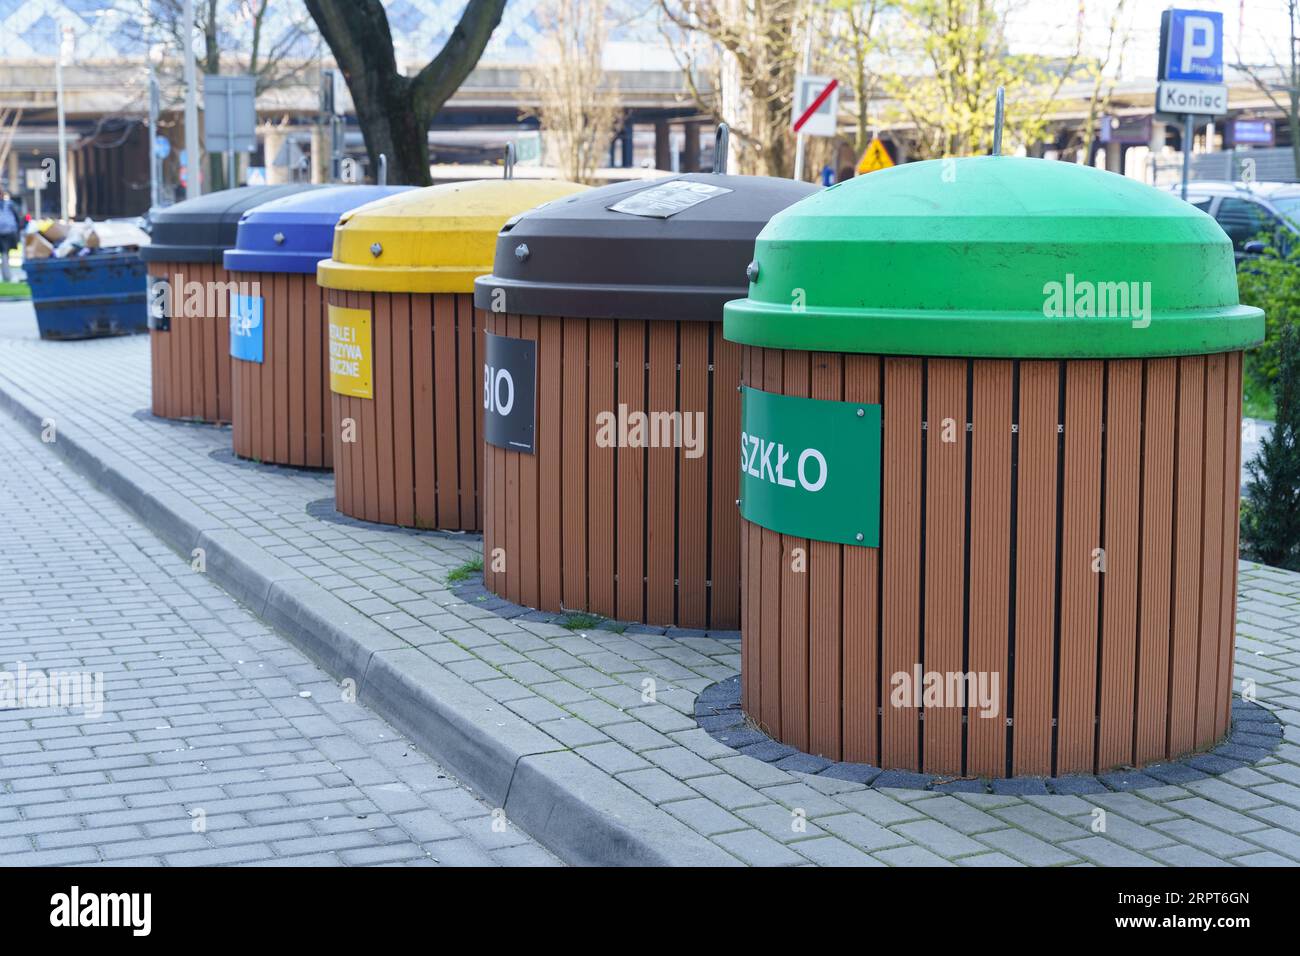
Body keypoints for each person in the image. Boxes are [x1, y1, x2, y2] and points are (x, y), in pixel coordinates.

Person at [0, 190, 20, 283]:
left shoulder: (9, 205)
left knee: (5, 253)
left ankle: (6, 275)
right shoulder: (10, 205)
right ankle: (6, 276)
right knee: (5, 253)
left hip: (7, 233)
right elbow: (17, 218)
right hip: (9, 232)